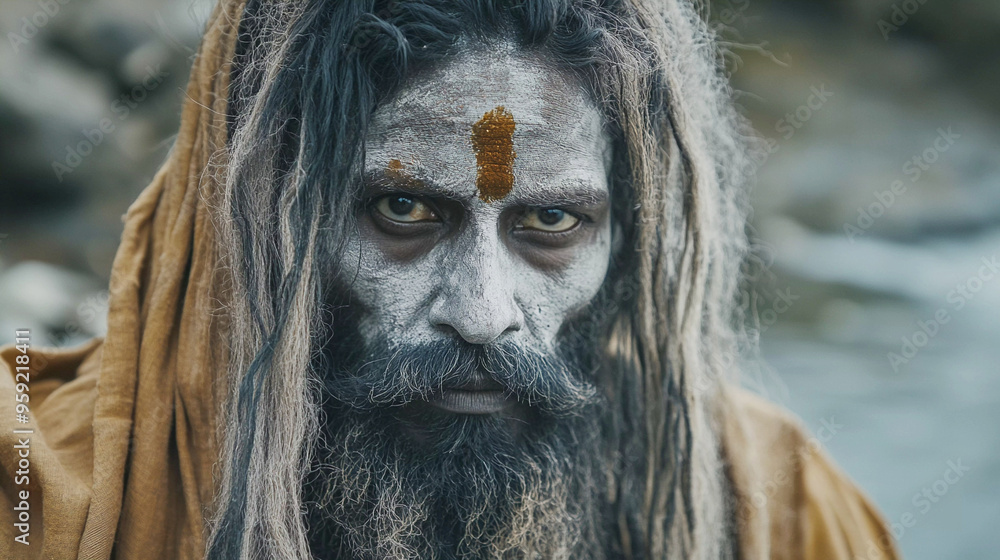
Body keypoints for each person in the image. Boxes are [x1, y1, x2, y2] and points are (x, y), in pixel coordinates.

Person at [0, 1, 900, 559]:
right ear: (263, 221)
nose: (482, 313)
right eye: (404, 213)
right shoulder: (32, 499)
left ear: (629, 237)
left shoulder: (774, 511)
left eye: (550, 223)